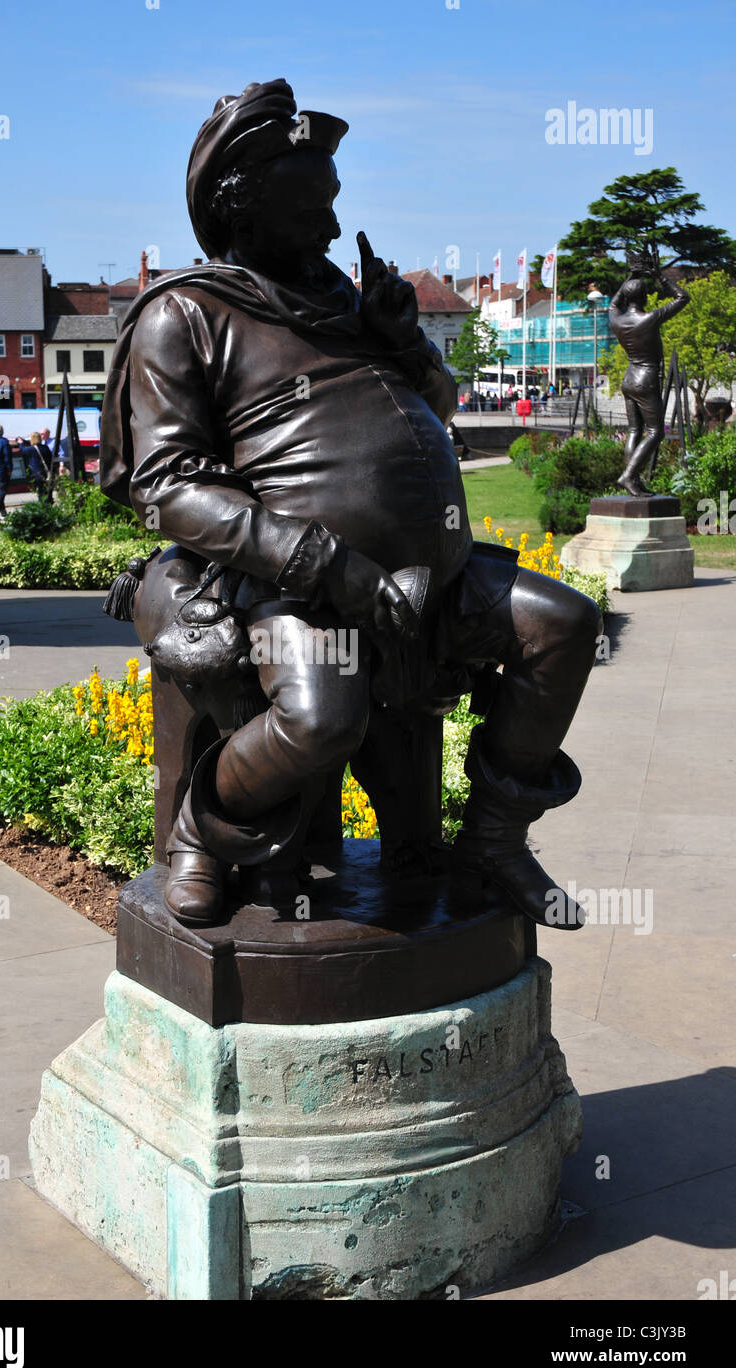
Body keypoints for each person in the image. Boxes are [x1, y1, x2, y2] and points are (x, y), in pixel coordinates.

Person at [101, 78, 601, 930]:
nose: (332, 230)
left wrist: (401, 337)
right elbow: (168, 488)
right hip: (294, 587)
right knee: (322, 716)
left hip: (427, 583)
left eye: (334, 206)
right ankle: (201, 827)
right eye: (309, 211)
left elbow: (437, 406)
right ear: (242, 209)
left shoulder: (347, 303)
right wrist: (325, 562)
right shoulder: (185, 314)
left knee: (562, 625)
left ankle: (492, 837)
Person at [609, 267, 689, 494]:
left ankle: (632, 479)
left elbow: (614, 303)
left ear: (626, 297)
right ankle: (629, 475)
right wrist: (659, 275)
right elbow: (683, 297)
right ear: (644, 297)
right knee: (656, 432)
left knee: (635, 430)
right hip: (646, 378)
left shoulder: (616, 319)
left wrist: (631, 276)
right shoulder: (650, 319)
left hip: (629, 376)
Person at [15, 432, 53, 500]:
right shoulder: (45, 447)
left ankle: (44, 507)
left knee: (40, 492)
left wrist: (21, 443)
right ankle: (49, 505)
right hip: (46, 473)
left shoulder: (31, 449)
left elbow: (22, 450)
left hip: (37, 474)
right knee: (47, 491)